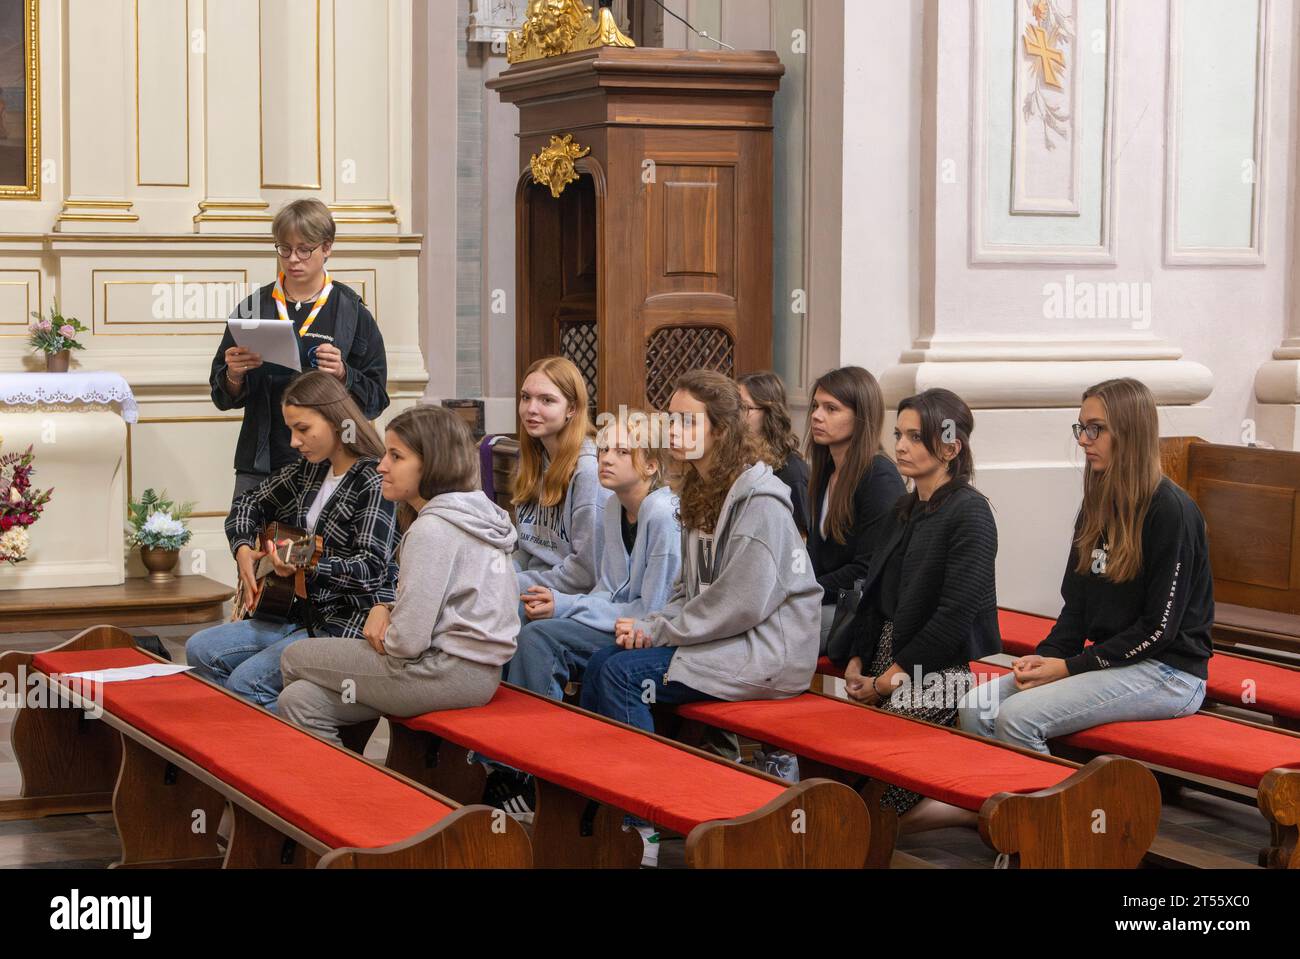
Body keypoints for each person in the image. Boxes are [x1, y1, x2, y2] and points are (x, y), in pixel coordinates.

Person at [580, 371, 822, 860]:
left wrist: (661, 629)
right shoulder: (699, 489)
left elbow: (740, 602)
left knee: (621, 676)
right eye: (672, 419)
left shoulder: (761, 503)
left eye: (688, 421)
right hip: (722, 636)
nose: (673, 430)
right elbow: (685, 589)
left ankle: (642, 823)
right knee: (602, 662)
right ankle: (607, 806)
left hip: (766, 649)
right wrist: (657, 625)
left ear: (722, 430)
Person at [958, 378, 1211, 754]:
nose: (1083, 440)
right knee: (974, 707)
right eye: (1082, 427)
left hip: (1168, 672)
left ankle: (1047, 812)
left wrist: (1070, 668)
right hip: (1113, 661)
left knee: (1016, 718)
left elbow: (1159, 630)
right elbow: (1075, 607)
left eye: (1096, 429)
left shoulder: (1171, 511)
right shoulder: (1097, 505)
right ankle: (1001, 808)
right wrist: (1046, 657)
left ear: (1130, 434)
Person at [278, 406, 519, 747]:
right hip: (476, 676)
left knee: (293, 656)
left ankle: (328, 796)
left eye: (396, 456)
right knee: (301, 699)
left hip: (439, 673)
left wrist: (386, 619)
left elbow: (406, 644)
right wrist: (386, 608)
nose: (382, 466)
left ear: (431, 462)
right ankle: (343, 789)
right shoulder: (473, 512)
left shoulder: (432, 529)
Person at [486, 411, 681, 818]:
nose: (606, 459)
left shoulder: (663, 514)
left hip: (649, 632)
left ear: (651, 465)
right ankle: (510, 759)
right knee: (528, 621)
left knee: (541, 638)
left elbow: (653, 610)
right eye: (605, 448)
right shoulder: (614, 506)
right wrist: (565, 605)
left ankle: (533, 767)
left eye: (622, 452)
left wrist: (566, 605)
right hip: (618, 618)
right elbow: (608, 590)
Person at [186, 371, 398, 709]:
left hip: (345, 622)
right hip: (299, 613)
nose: (294, 442)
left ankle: (276, 740)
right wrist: (242, 547)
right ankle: (241, 734)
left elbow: (371, 569)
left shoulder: (373, 480)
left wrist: (307, 564)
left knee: (246, 682)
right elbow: (249, 501)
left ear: (335, 420)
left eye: (303, 429)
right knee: (199, 648)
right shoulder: (310, 469)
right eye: (290, 430)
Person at [840, 388, 999, 833]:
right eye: (899, 434)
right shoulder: (903, 509)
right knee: (833, 755)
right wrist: (857, 658)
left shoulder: (971, 514)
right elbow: (872, 595)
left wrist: (891, 677)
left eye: (916, 436)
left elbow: (954, 615)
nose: (902, 446)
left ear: (951, 446)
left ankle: (976, 810)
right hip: (884, 659)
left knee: (877, 788)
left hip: (939, 671)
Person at [209, 198, 390, 501]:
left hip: (333, 463)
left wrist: (345, 373)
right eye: (284, 248)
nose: (293, 259)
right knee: (249, 540)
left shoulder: (351, 312)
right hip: (262, 461)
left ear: (327, 248)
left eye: (305, 249)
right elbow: (222, 396)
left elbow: (376, 400)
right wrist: (234, 376)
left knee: (321, 547)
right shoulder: (254, 307)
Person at [806, 367, 907, 656]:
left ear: (861, 416)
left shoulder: (879, 476)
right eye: (815, 406)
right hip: (826, 602)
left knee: (773, 631)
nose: (816, 415)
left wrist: (803, 592)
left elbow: (868, 569)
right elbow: (816, 558)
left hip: (863, 610)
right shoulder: (825, 472)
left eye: (831, 408)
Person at [512, 357, 610, 610]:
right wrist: (500, 574)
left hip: (571, 599)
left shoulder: (589, 471)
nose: (531, 408)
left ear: (572, 409)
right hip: (533, 588)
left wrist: (509, 585)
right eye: (525, 397)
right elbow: (528, 549)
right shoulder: (533, 459)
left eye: (547, 400)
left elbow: (585, 573)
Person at [738, 371, 810, 537]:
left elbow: (798, 543)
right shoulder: (736, 460)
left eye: (745, 408)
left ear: (769, 413)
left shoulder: (792, 472)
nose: (736, 416)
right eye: (734, 407)